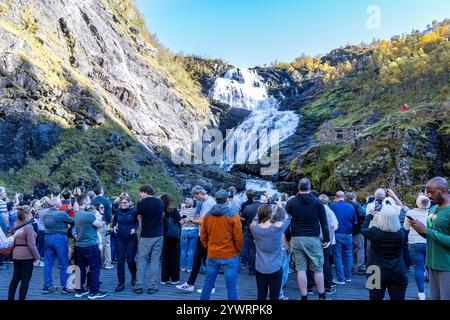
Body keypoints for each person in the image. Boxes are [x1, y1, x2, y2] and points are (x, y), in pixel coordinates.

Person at [286, 178, 330, 300]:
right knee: (318, 269)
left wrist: (288, 238)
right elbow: (324, 223)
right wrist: (326, 238)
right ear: (309, 188)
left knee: (301, 269)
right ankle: (321, 296)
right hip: (313, 239)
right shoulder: (318, 202)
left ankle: (304, 296)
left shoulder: (291, 202)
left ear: (298, 188)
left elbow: (286, 222)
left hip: (297, 238)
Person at [410, 177, 450, 300]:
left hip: (446, 265)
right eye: (427, 192)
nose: (428, 196)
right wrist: (420, 230)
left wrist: (426, 230)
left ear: (443, 190)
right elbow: (432, 236)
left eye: (432, 192)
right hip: (431, 264)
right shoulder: (432, 209)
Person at [199, 190, 243, 300]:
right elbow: (238, 236)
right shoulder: (234, 215)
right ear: (226, 200)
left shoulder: (208, 215)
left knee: (208, 284)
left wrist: (208, 247)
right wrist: (237, 250)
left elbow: (203, 235)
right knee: (231, 287)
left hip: (212, 253)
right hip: (229, 254)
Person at [361, 204, 408, 300]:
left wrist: (370, 216)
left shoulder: (374, 232)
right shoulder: (401, 234)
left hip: (374, 270)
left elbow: (362, 229)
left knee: (374, 297)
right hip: (397, 270)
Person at [177, 187, 216, 293]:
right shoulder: (210, 201)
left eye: (195, 196)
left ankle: (210, 287)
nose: (195, 199)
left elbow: (204, 221)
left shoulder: (208, 203)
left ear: (199, 193)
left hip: (205, 236)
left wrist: (190, 220)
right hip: (202, 235)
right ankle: (190, 284)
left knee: (205, 261)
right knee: (197, 259)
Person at [250, 203, 291, 300]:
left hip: (260, 266)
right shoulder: (277, 228)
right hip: (275, 266)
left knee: (261, 295)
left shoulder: (254, 228)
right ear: (270, 215)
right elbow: (288, 218)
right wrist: (280, 207)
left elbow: (254, 220)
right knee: (274, 296)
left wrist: (263, 206)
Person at [74, 194, 107, 299]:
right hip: (90, 245)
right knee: (95, 267)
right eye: (89, 199)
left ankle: (79, 291)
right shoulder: (88, 215)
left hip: (79, 245)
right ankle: (94, 292)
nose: (90, 201)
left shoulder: (77, 214)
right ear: (85, 202)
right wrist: (101, 215)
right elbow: (100, 225)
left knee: (80, 268)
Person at [134, 184, 164, 295]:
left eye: (140, 192)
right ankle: (152, 286)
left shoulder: (140, 204)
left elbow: (139, 217)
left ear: (145, 192)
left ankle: (138, 286)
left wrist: (141, 226)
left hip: (146, 235)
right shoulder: (160, 202)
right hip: (158, 235)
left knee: (142, 260)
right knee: (155, 261)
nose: (139, 194)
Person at [42, 197, 74, 294]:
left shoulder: (46, 214)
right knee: (64, 263)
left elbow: (61, 217)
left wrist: (68, 210)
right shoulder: (61, 214)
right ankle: (65, 286)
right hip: (59, 238)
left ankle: (47, 286)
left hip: (47, 238)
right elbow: (72, 221)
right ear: (57, 205)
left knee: (48, 263)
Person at [8, 206, 40, 300]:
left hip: (16, 254)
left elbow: (10, 235)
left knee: (15, 279)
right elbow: (31, 245)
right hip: (26, 256)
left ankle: (11, 298)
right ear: (27, 216)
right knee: (25, 281)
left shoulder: (15, 224)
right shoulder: (28, 227)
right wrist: (37, 257)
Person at [403, 195, 430, 300]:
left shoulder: (410, 213)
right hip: (430, 242)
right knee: (431, 267)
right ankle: (436, 289)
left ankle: (421, 292)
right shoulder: (433, 212)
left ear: (417, 203)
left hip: (414, 243)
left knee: (418, 267)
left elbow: (405, 228)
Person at [111, 195, 138, 292]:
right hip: (119, 238)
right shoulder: (117, 211)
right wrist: (114, 226)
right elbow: (114, 220)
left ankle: (134, 276)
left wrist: (135, 229)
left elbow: (138, 222)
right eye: (121, 203)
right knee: (120, 261)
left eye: (125, 202)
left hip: (131, 239)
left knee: (130, 260)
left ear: (129, 203)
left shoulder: (134, 211)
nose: (123, 204)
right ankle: (121, 283)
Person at [329, 191, 357, 285]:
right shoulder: (350, 206)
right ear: (344, 197)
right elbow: (355, 221)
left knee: (337, 255)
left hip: (337, 234)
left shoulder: (332, 206)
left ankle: (340, 279)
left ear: (336, 197)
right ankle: (348, 277)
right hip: (348, 234)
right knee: (348, 255)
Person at [319, 194, 339, 294]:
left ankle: (313, 284)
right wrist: (329, 241)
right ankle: (328, 285)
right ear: (327, 201)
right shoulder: (329, 211)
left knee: (316, 262)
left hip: (317, 239)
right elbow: (334, 226)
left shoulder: (316, 209)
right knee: (326, 263)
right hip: (327, 240)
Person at [161, 194, 181, 285]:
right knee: (175, 257)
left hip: (163, 236)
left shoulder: (161, 210)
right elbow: (179, 222)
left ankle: (164, 278)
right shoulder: (174, 210)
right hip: (174, 237)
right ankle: (174, 279)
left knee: (165, 257)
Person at [91, 186, 113, 270]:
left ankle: (97, 262)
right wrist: (108, 224)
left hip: (94, 223)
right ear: (101, 191)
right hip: (104, 223)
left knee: (96, 243)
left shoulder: (92, 201)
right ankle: (107, 263)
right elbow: (109, 215)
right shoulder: (107, 201)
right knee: (106, 244)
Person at [241, 192, 263, 276]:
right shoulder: (263, 207)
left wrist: (248, 222)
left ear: (253, 198)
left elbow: (242, 218)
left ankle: (251, 270)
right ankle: (260, 269)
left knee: (251, 250)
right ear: (260, 197)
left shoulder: (248, 207)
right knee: (260, 250)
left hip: (251, 230)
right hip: (262, 230)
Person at [346, 192, 366, 275]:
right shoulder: (357, 205)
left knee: (349, 250)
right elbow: (362, 215)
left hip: (347, 231)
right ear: (354, 197)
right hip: (357, 230)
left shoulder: (346, 205)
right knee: (360, 249)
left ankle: (350, 267)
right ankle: (360, 267)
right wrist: (361, 223)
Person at [179, 198, 198, 273]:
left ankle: (183, 267)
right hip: (193, 230)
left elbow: (180, 222)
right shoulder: (195, 210)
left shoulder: (182, 211)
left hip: (184, 231)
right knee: (191, 250)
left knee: (183, 250)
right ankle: (190, 268)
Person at [239, 189, 254, 270]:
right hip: (254, 227)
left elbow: (242, 217)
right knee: (252, 246)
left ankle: (244, 262)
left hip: (245, 226)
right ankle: (251, 262)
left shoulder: (244, 204)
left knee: (245, 244)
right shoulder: (256, 204)